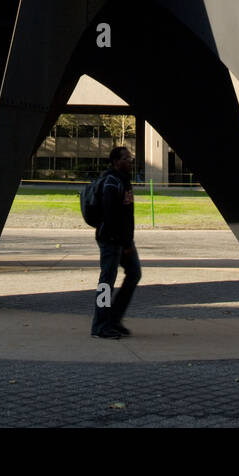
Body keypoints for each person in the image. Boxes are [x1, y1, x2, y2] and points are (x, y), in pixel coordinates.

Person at [91, 145, 141, 339]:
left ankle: (113, 319)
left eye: (130, 158)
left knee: (134, 273)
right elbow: (112, 217)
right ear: (116, 162)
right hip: (112, 241)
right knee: (106, 283)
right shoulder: (111, 183)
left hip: (124, 241)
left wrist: (128, 241)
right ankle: (100, 325)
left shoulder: (124, 181)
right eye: (126, 158)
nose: (130, 161)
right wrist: (123, 243)